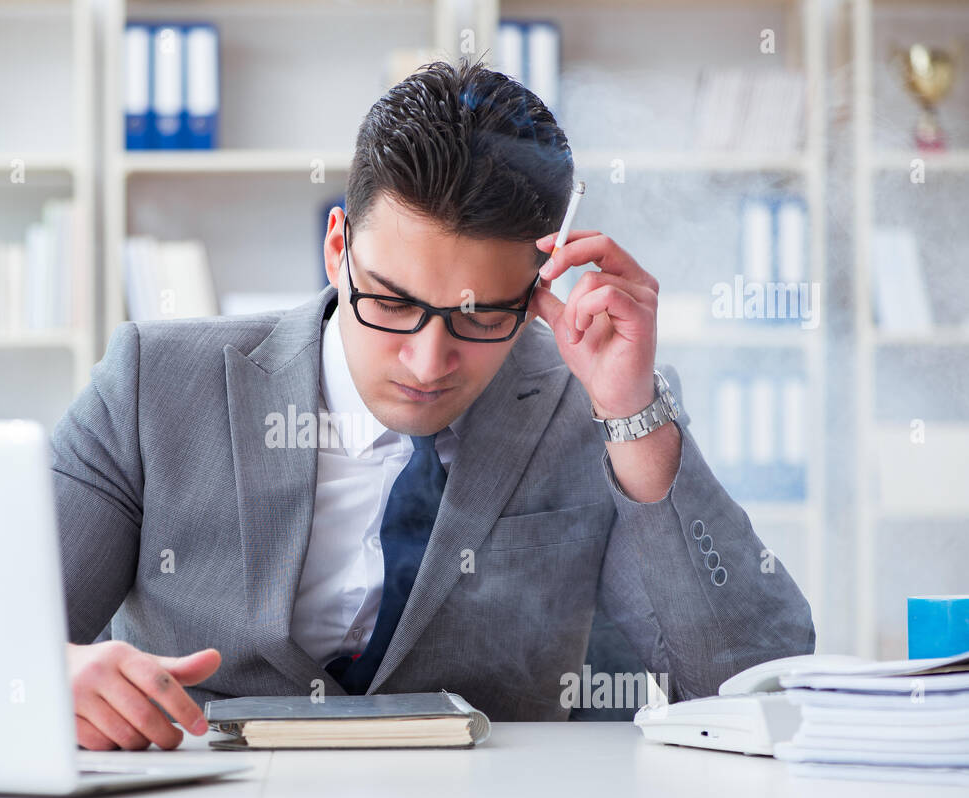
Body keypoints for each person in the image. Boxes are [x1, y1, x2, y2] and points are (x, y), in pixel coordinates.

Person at [51, 58, 815, 751]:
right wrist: (58, 671)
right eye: (389, 301)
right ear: (336, 248)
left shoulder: (588, 408)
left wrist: (632, 411)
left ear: (538, 291)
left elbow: (756, 685)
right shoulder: (154, 383)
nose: (428, 361)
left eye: (481, 316)